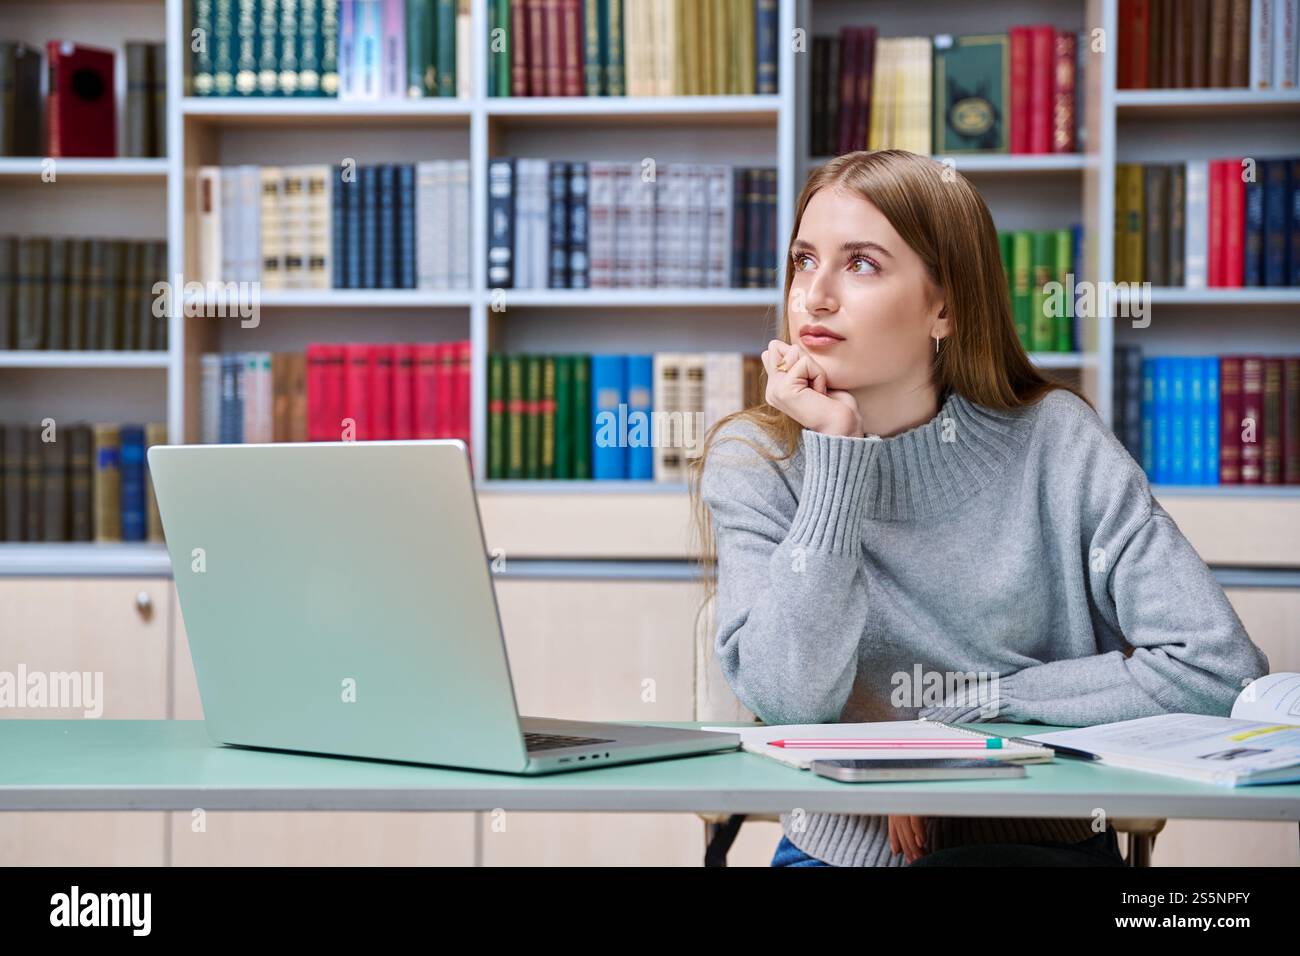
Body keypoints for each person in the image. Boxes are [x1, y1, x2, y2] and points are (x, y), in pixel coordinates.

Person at [688, 149, 1270, 867]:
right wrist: (837, 455)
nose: (815, 296)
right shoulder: (760, 460)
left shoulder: (1057, 442)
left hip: (1037, 846)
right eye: (805, 261)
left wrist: (962, 720)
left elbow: (1219, 671)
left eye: (861, 264)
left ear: (945, 307)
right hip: (841, 854)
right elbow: (789, 699)